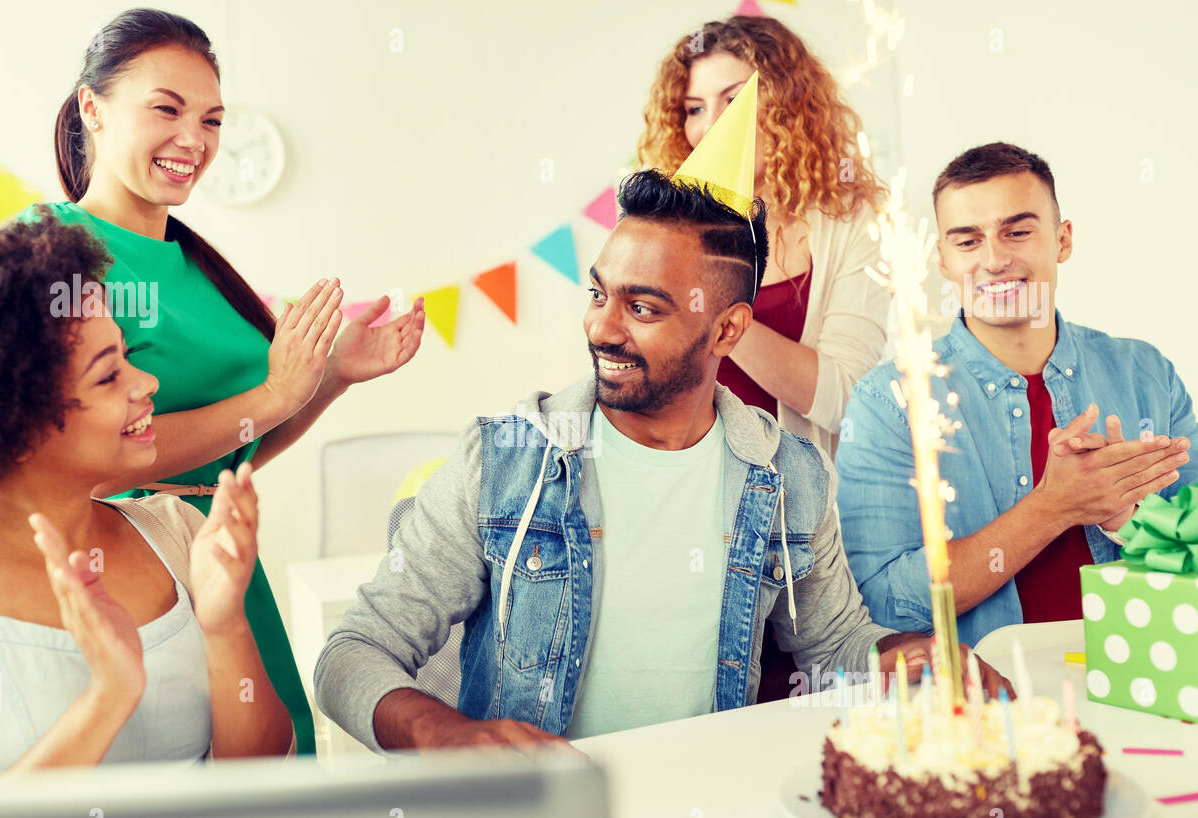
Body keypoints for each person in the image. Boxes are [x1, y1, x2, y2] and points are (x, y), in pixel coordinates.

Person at [315, 166, 1010, 755]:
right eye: (597, 293)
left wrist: (903, 658)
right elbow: (351, 654)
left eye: (641, 308)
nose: (601, 327)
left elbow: (832, 646)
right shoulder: (502, 461)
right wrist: (444, 734)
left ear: (728, 329)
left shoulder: (790, 479)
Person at [26, 9, 426, 754]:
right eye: (166, 110)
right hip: (125, 583)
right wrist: (275, 393)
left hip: (220, 567)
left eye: (211, 119)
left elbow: (225, 461)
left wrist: (327, 376)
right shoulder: (46, 253)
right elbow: (72, 455)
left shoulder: (193, 260)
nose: (194, 141)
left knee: (270, 797)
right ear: (92, 108)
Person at [0, 214, 291, 775]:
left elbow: (263, 768)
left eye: (127, 357)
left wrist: (224, 626)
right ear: (14, 418)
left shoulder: (176, 527)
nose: (146, 383)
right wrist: (110, 693)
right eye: (108, 377)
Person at [835, 142, 1198, 647]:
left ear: (1062, 239)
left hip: (1143, 680)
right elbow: (886, 603)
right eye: (967, 241)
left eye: (1018, 232)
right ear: (942, 259)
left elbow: (1194, 552)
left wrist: (1127, 520)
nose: (995, 259)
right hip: (996, 704)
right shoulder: (890, 401)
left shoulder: (1146, 375)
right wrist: (1054, 507)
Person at [637, 14, 889, 461]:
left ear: (787, 106)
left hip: (796, 507)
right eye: (695, 109)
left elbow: (847, 398)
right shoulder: (662, 226)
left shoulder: (850, 221)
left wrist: (714, 305)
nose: (711, 125)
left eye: (734, 101)